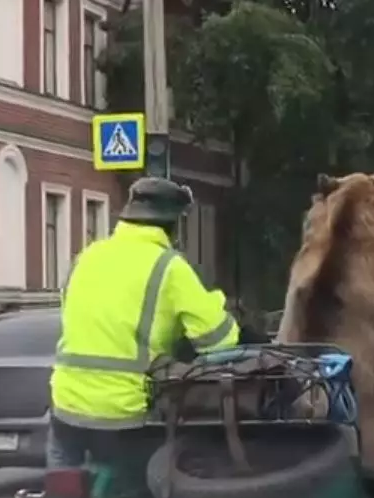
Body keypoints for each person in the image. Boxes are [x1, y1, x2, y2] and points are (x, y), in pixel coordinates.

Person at [48, 176, 240, 480]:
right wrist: (216, 302)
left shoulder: (86, 257)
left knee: (62, 492)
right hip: (127, 414)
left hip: (66, 406)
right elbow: (220, 340)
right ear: (173, 226)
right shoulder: (169, 266)